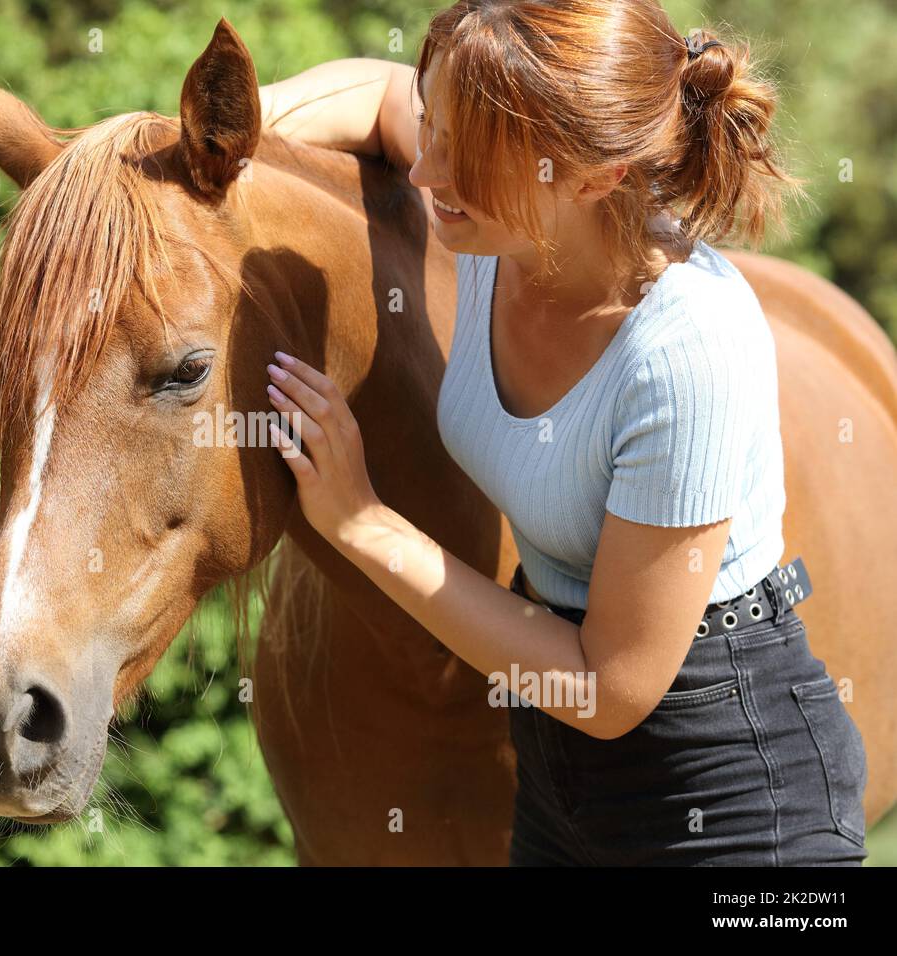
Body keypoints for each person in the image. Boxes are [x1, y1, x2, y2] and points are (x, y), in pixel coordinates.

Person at [256, 0, 867, 865]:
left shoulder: (685, 348)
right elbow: (373, 93)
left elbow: (610, 686)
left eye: (463, 156)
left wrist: (362, 523)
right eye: (434, 129)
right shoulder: (484, 213)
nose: (425, 174)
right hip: (554, 777)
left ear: (594, 175)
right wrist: (182, 149)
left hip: (728, 786)